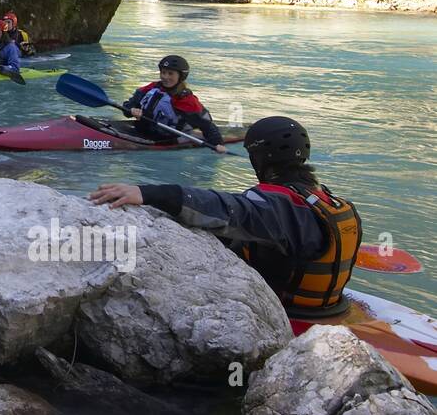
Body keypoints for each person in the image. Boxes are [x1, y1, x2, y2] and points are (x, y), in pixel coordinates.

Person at [89, 116, 361, 317]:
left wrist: (147, 193)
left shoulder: (277, 206)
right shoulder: (328, 200)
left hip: (287, 312)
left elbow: (225, 209)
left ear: (260, 158)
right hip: (332, 307)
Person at [123, 55, 225, 151]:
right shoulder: (152, 87)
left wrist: (218, 144)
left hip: (166, 138)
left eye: (170, 73)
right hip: (142, 130)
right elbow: (127, 108)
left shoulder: (185, 99)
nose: (165, 77)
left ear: (181, 76)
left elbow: (206, 125)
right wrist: (131, 109)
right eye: (163, 72)